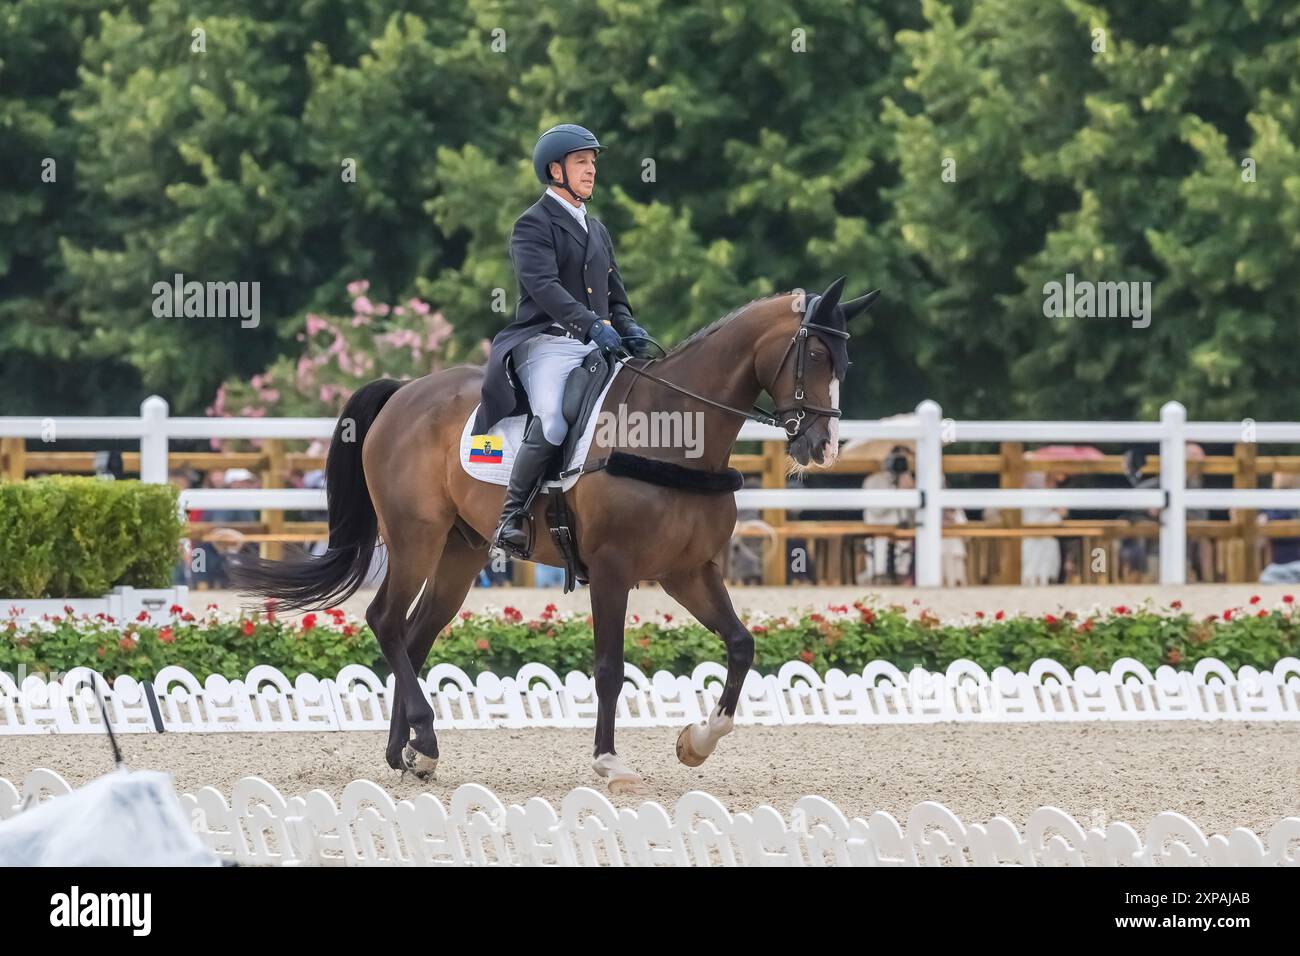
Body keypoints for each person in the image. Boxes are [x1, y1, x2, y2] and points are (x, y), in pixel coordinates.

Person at [472, 124, 656, 558]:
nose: (591, 170)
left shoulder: (598, 230)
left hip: (597, 346)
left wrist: (628, 326)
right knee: (554, 420)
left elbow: (616, 296)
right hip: (548, 344)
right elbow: (546, 289)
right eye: (581, 162)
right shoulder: (532, 225)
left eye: (593, 162)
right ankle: (512, 516)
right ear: (555, 170)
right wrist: (593, 325)